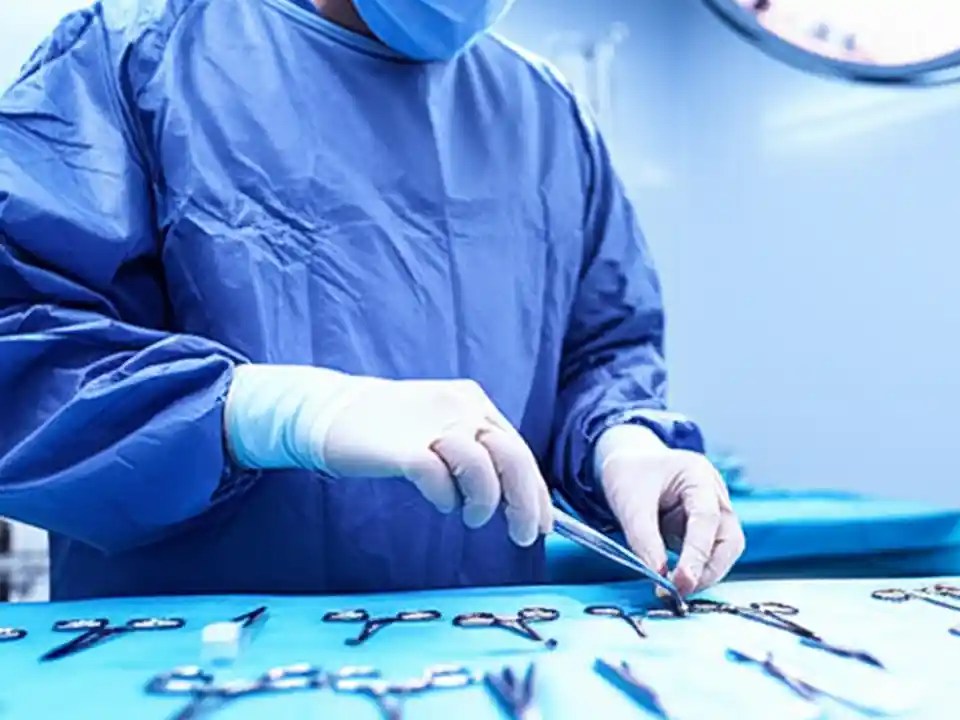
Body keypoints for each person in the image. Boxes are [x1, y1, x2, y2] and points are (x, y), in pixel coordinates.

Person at [0, 0, 744, 600]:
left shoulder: (548, 117)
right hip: (178, 668)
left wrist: (625, 443)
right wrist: (274, 415)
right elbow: (21, 350)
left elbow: (601, 351)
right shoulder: (131, 57)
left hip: (477, 659)